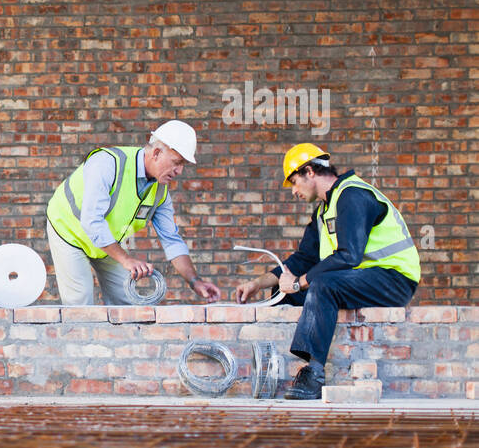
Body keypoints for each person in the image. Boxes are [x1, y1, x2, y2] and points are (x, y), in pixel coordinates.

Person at [234, 143, 421, 400]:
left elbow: (349, 256)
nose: (293, 191)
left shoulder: (353, 195)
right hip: (357, 280)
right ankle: (279, 364)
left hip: (393, 280)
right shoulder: (323, 211)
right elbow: (304, 259)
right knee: (284, 291)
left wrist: (299, 283)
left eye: (294, 182)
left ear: (309, 172)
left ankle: (314, 373)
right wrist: (259, 283)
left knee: (321, 284)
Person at [45, 120, 222, 305]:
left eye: (183, 164)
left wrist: (195, 282)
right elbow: (92, 222)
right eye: (177, 162)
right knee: (80, 305)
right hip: (69, 233)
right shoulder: (107, 163)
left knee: (128, 303)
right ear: (156, 153)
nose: (179, 170)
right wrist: (126, 259)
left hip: (106, 242)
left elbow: (172, 240)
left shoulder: (160, 192)